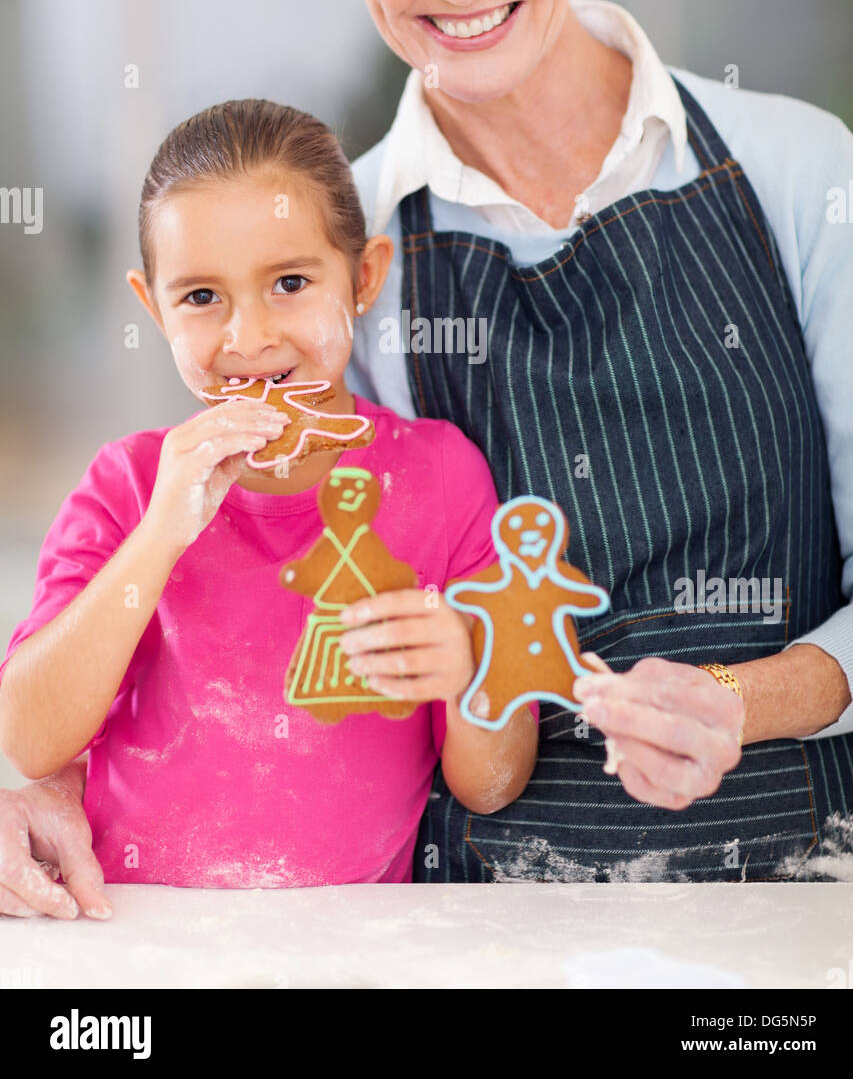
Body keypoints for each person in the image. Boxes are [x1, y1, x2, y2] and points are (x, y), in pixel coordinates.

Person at [2, 0, 853, 904]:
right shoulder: (328, 256)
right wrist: (41, 782)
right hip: (470, 911)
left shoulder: (796, 175)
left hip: (802, 885)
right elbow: (220, 612)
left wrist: (738, 698)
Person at [0, 98, 537, 909]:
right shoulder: (128, 485)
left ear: (362, 279)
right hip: (140, 935)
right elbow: (31, 740)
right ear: (152, 307)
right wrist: (158, 537)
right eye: (201, 297)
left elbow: (492, 787)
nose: (248, 339)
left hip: (349, 948)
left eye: (289, 283)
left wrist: (469, 672)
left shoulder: (441, 477)